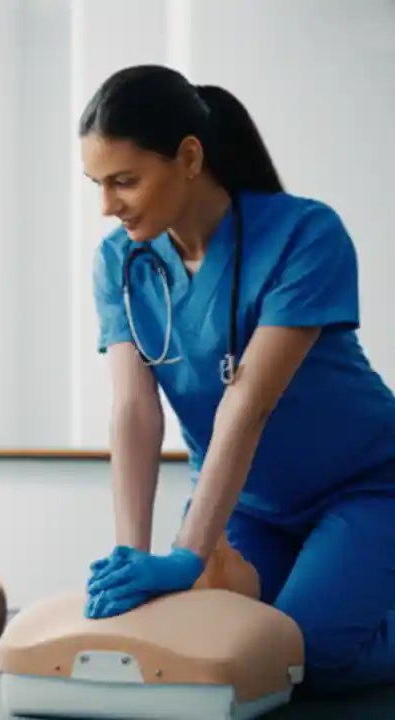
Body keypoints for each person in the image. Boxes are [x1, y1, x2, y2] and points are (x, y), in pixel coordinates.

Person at [79, 64, 395, 694]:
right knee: (212, 649)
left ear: (189, 157)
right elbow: (135, 411)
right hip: (246, 503)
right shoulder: (122, 261)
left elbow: (246, 404)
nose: (107, 207)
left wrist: (189, 555)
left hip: (365, 486)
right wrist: (134, 557)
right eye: (97, 184)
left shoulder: (305, 234)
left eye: (124, 181)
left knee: (301, 655)